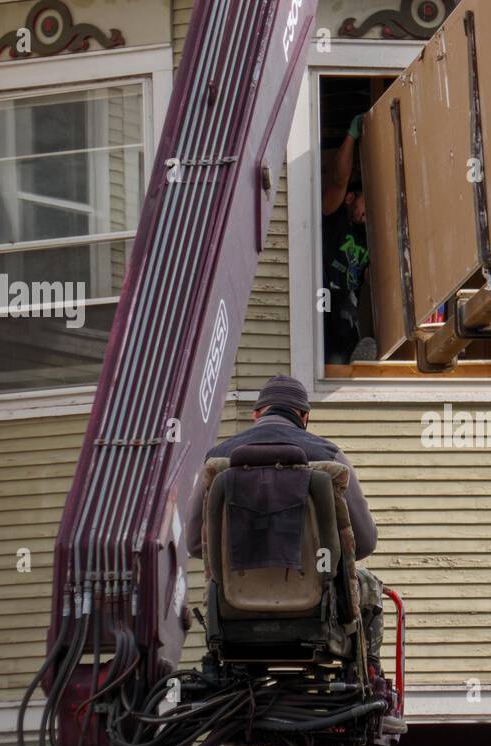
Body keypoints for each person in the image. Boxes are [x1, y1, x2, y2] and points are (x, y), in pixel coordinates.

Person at [184, 376, 386, 670]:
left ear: (257, 414)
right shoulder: (329, 457)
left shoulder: (216, 460)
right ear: (304, 417)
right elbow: (364, 543)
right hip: (316, 612)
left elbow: (193, 544)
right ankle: (370, 675)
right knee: (368, 584)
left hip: (235, 611)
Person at [322, 114, 376, 364]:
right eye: (367, 200)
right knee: (338, 311)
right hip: (323, 292)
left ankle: (351, 363)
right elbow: (339, 178)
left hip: (348, 303)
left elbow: (367, 277)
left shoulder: (369, 238)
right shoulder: (336, 215)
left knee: (347, 327)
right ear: (350, 198)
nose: (369, 212)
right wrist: (352, 135)